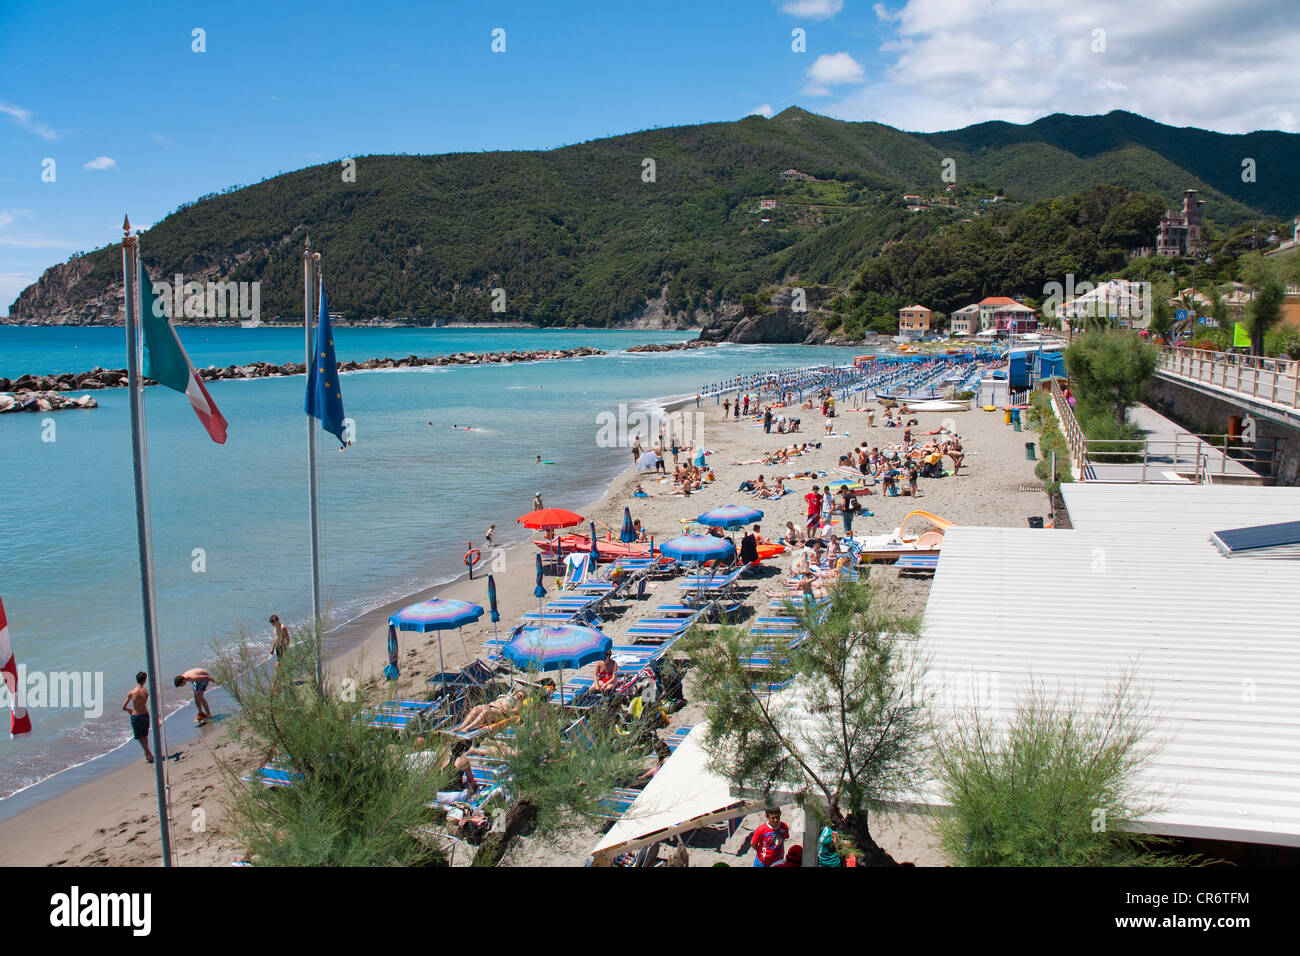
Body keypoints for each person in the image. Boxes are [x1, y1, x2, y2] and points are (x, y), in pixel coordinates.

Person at [452, 689, 526, 733]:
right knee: (476, 709)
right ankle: (462, 726)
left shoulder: (519, 703)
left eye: (522, 695)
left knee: (486, 713)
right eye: (519, 692)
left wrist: (506, 710)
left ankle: (468, 728)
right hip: (491, 705)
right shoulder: (507, 696)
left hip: (500, 711)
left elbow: (515, 712)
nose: (520, 694)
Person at [122, 671, 153, 763]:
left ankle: (150, 754)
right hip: (145, 714)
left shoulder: (131, 693)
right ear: (145, 680)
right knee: (145, 735)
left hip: (136, 715)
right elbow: (151, 703)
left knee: (140, 737)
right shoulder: (146, 692)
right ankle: (147, 755)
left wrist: (130, 710)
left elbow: (123, 707)